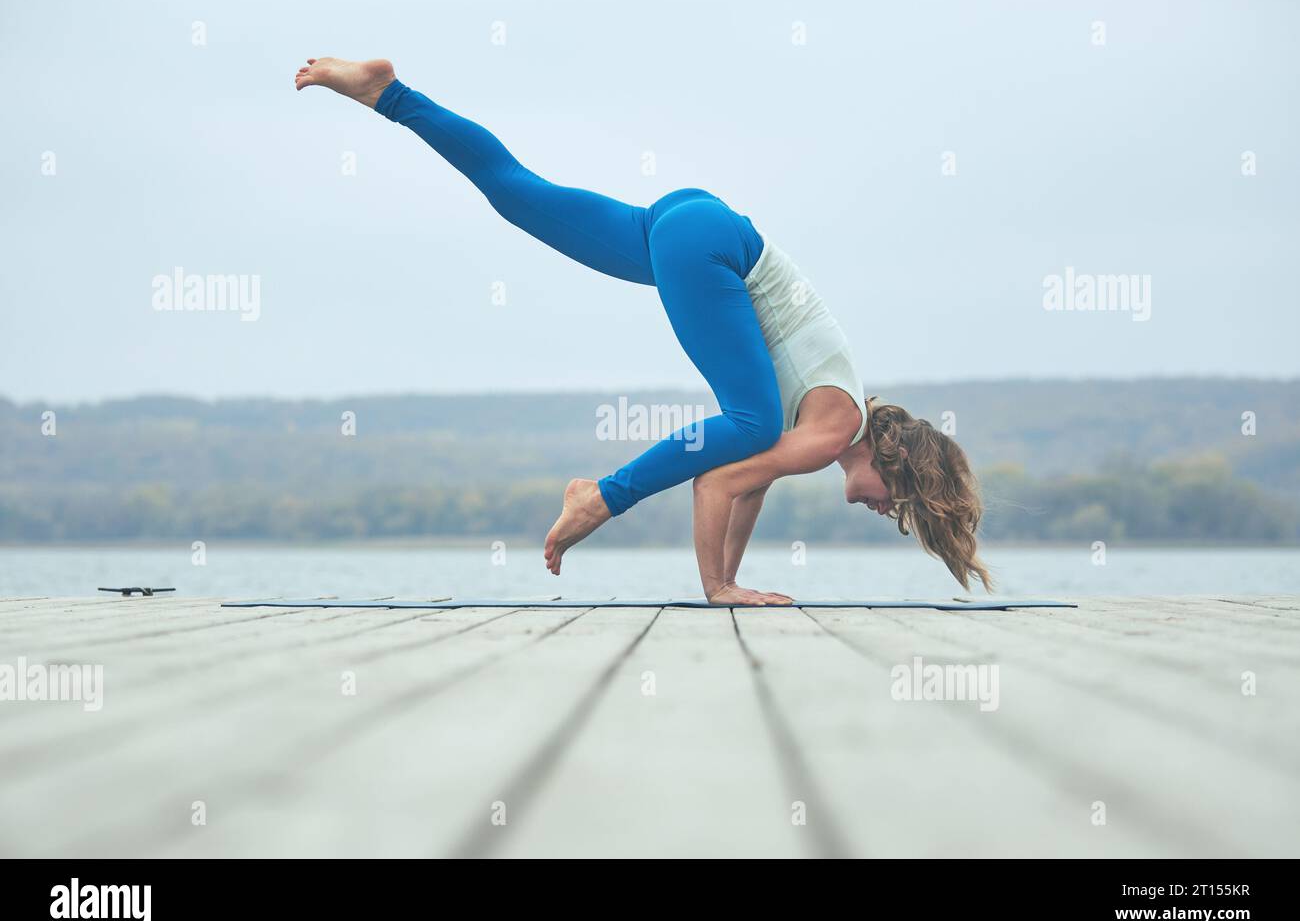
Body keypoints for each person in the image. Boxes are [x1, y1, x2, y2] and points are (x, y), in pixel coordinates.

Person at [295, 57, 992, 603]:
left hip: (690, 222)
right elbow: (713, 485)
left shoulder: (825, 422)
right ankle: (597, 497)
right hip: (711, 248)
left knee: (518, 195)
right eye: (898, 503)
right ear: (894, 464)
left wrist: (732, 579)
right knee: (745, 428)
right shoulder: (832, 432)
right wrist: (718, 590)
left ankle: (389, 94)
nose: (885, 512)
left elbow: (744, 489)